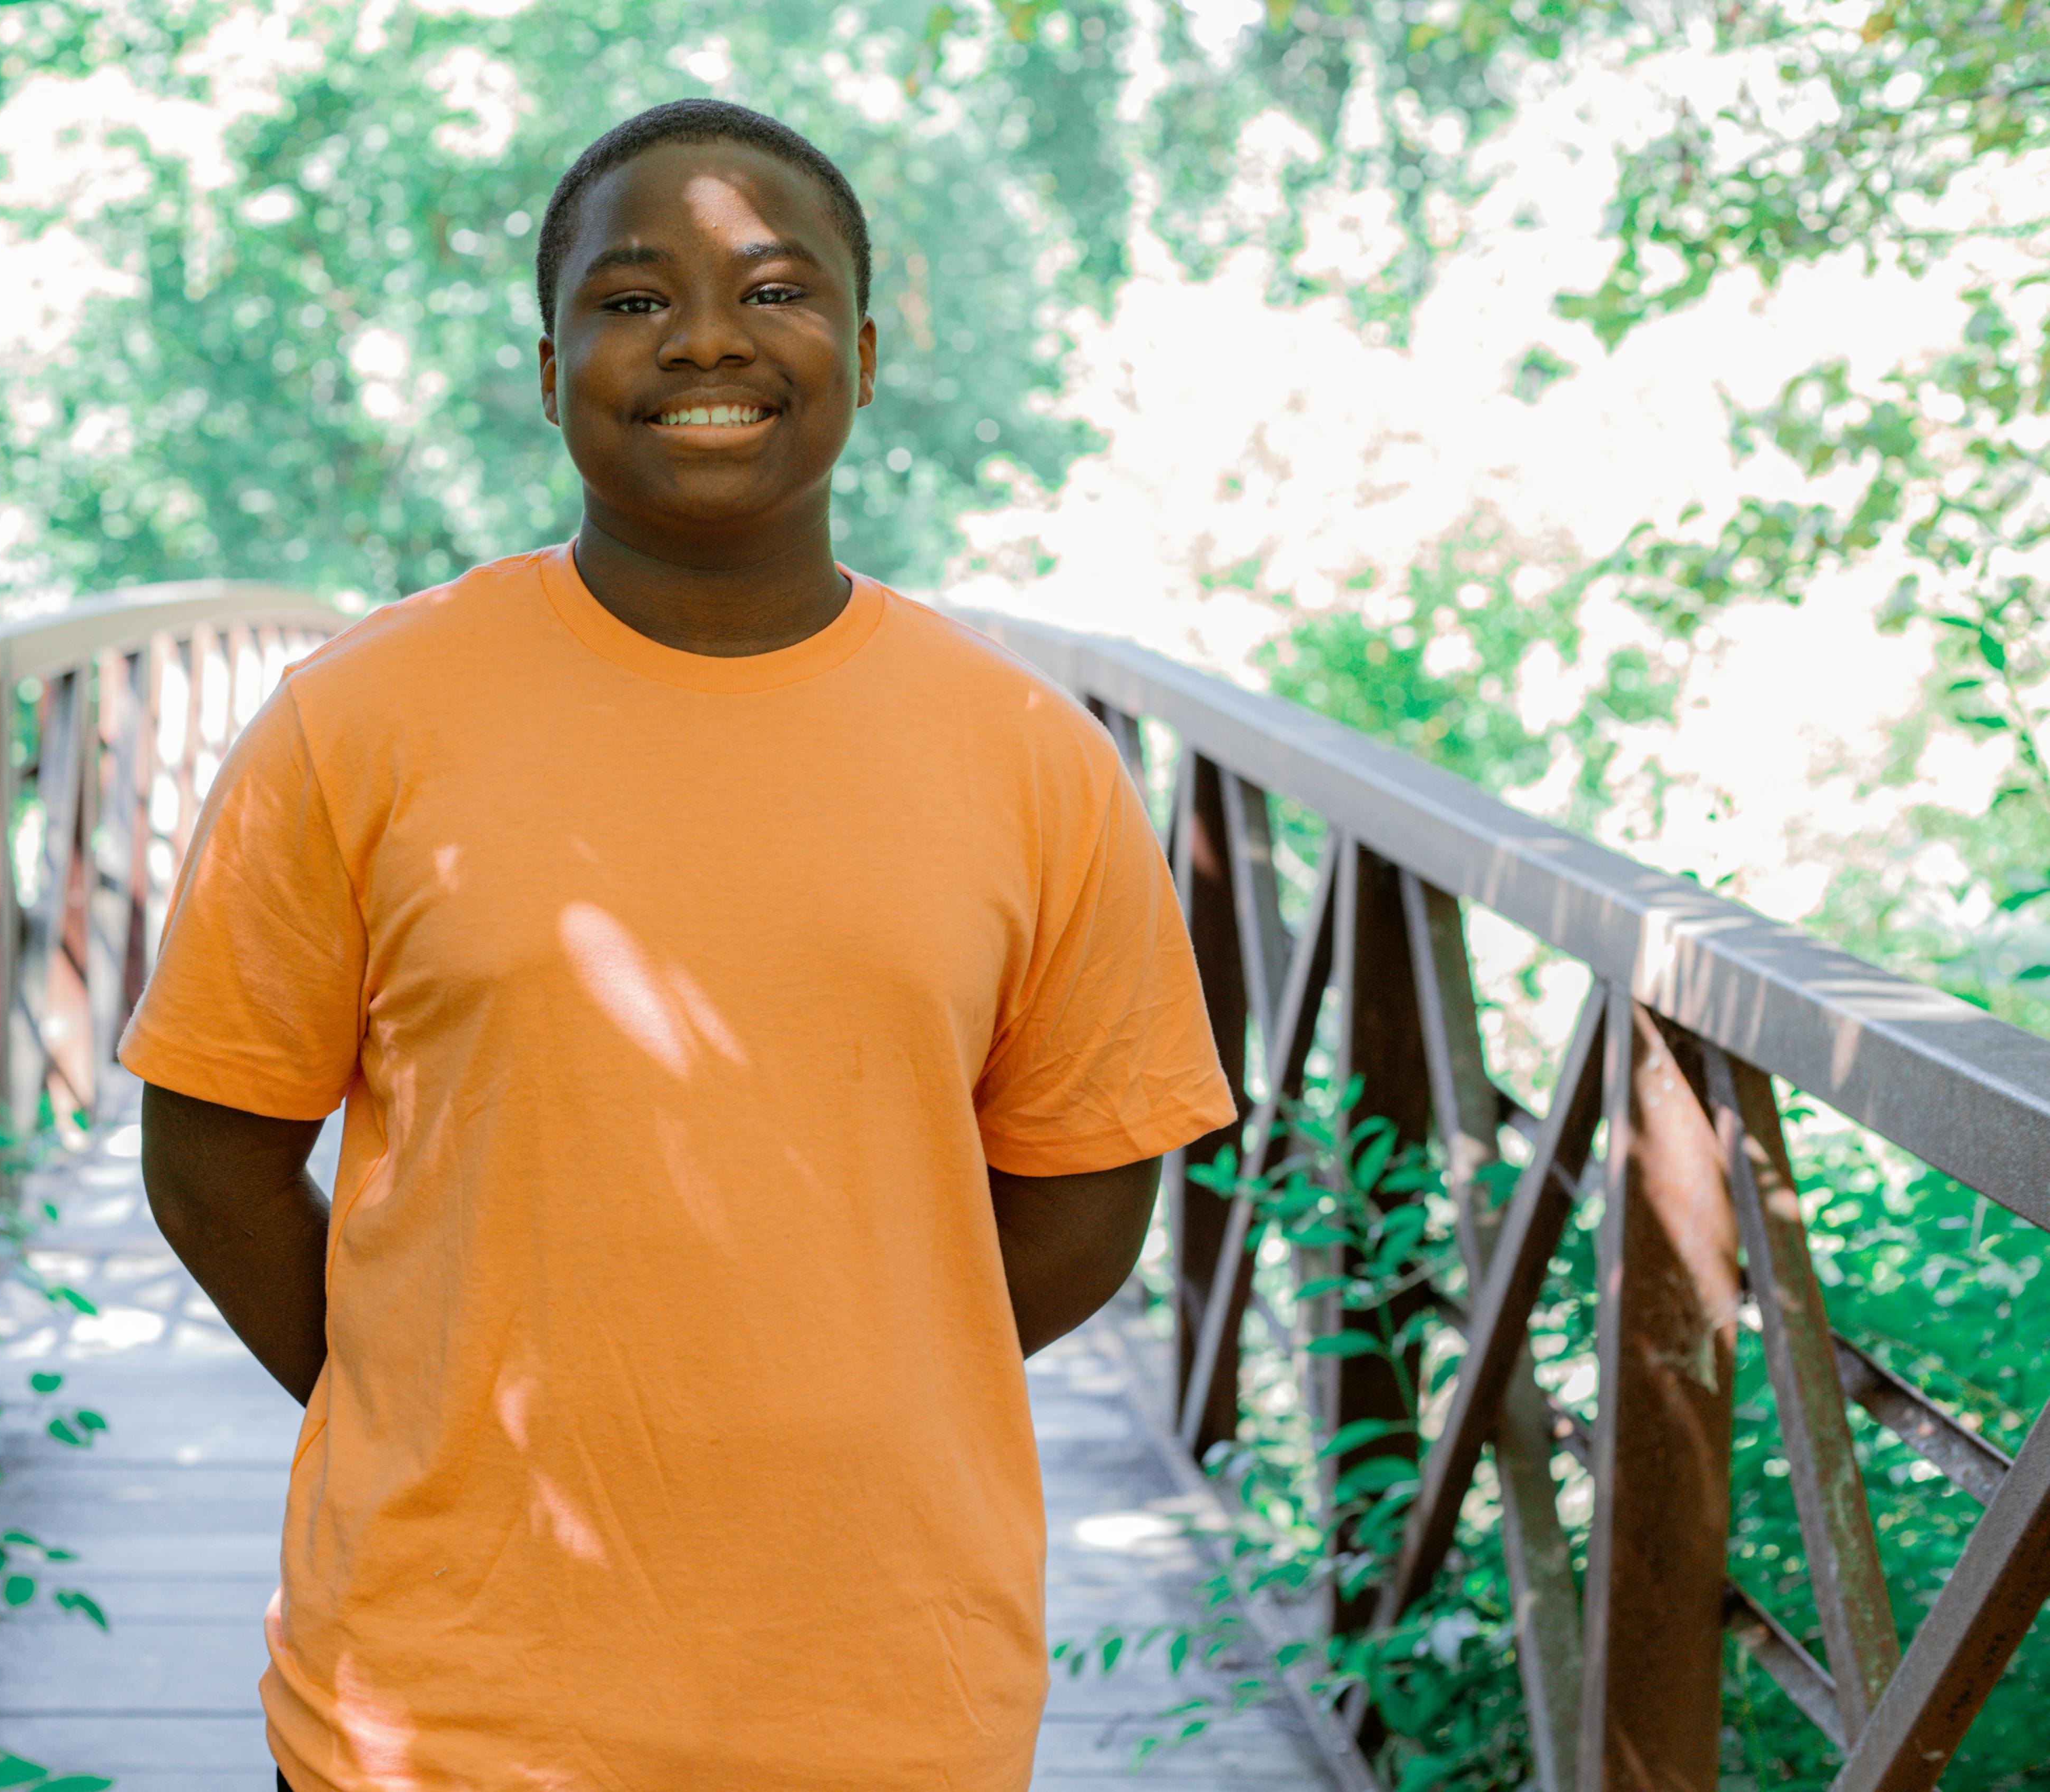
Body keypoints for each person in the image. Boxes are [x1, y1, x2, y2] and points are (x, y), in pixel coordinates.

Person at [123, 97, 1234, 1792]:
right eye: (632, 300)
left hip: (885, 1704)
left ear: (862, 351)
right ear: (547, 364)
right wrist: (427, 1407)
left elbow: (1090, 1189)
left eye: (773, 291)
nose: (706, 337)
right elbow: (213, 1165)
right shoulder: (359, 724)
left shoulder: (1028, 755)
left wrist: (837, 1362)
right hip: (440, 1711)